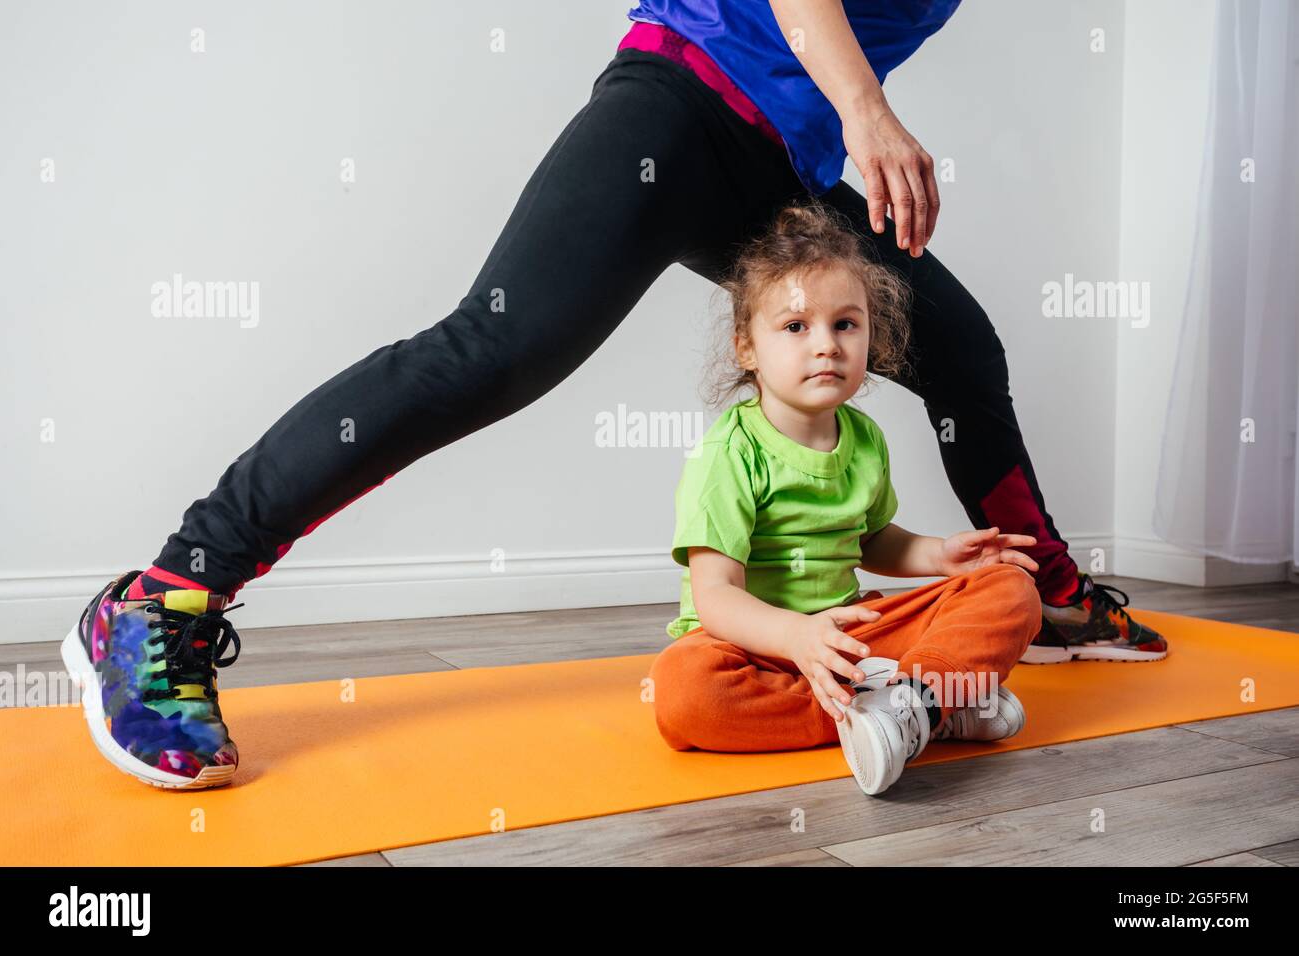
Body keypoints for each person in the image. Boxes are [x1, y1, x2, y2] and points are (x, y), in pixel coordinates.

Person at [62, 1, 1165, 791]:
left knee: (954, 342)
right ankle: (165, 594)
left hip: (778, 157)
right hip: (678, 102)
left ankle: (1047, 590)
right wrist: (868, 110)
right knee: (493, 348)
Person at [649, 201, 1041, 796]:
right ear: (747, 349)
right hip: (756, 647)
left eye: (845, 324)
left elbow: (874, 540)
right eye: (796, 327)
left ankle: (913, 702)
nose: (826, 345)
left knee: (1009, 589)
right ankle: (920, 707)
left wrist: (940, 556)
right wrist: (796, 638)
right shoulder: (727, 454)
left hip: (854, 638)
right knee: (684, 691)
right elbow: (716, 599)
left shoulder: (864, 439)